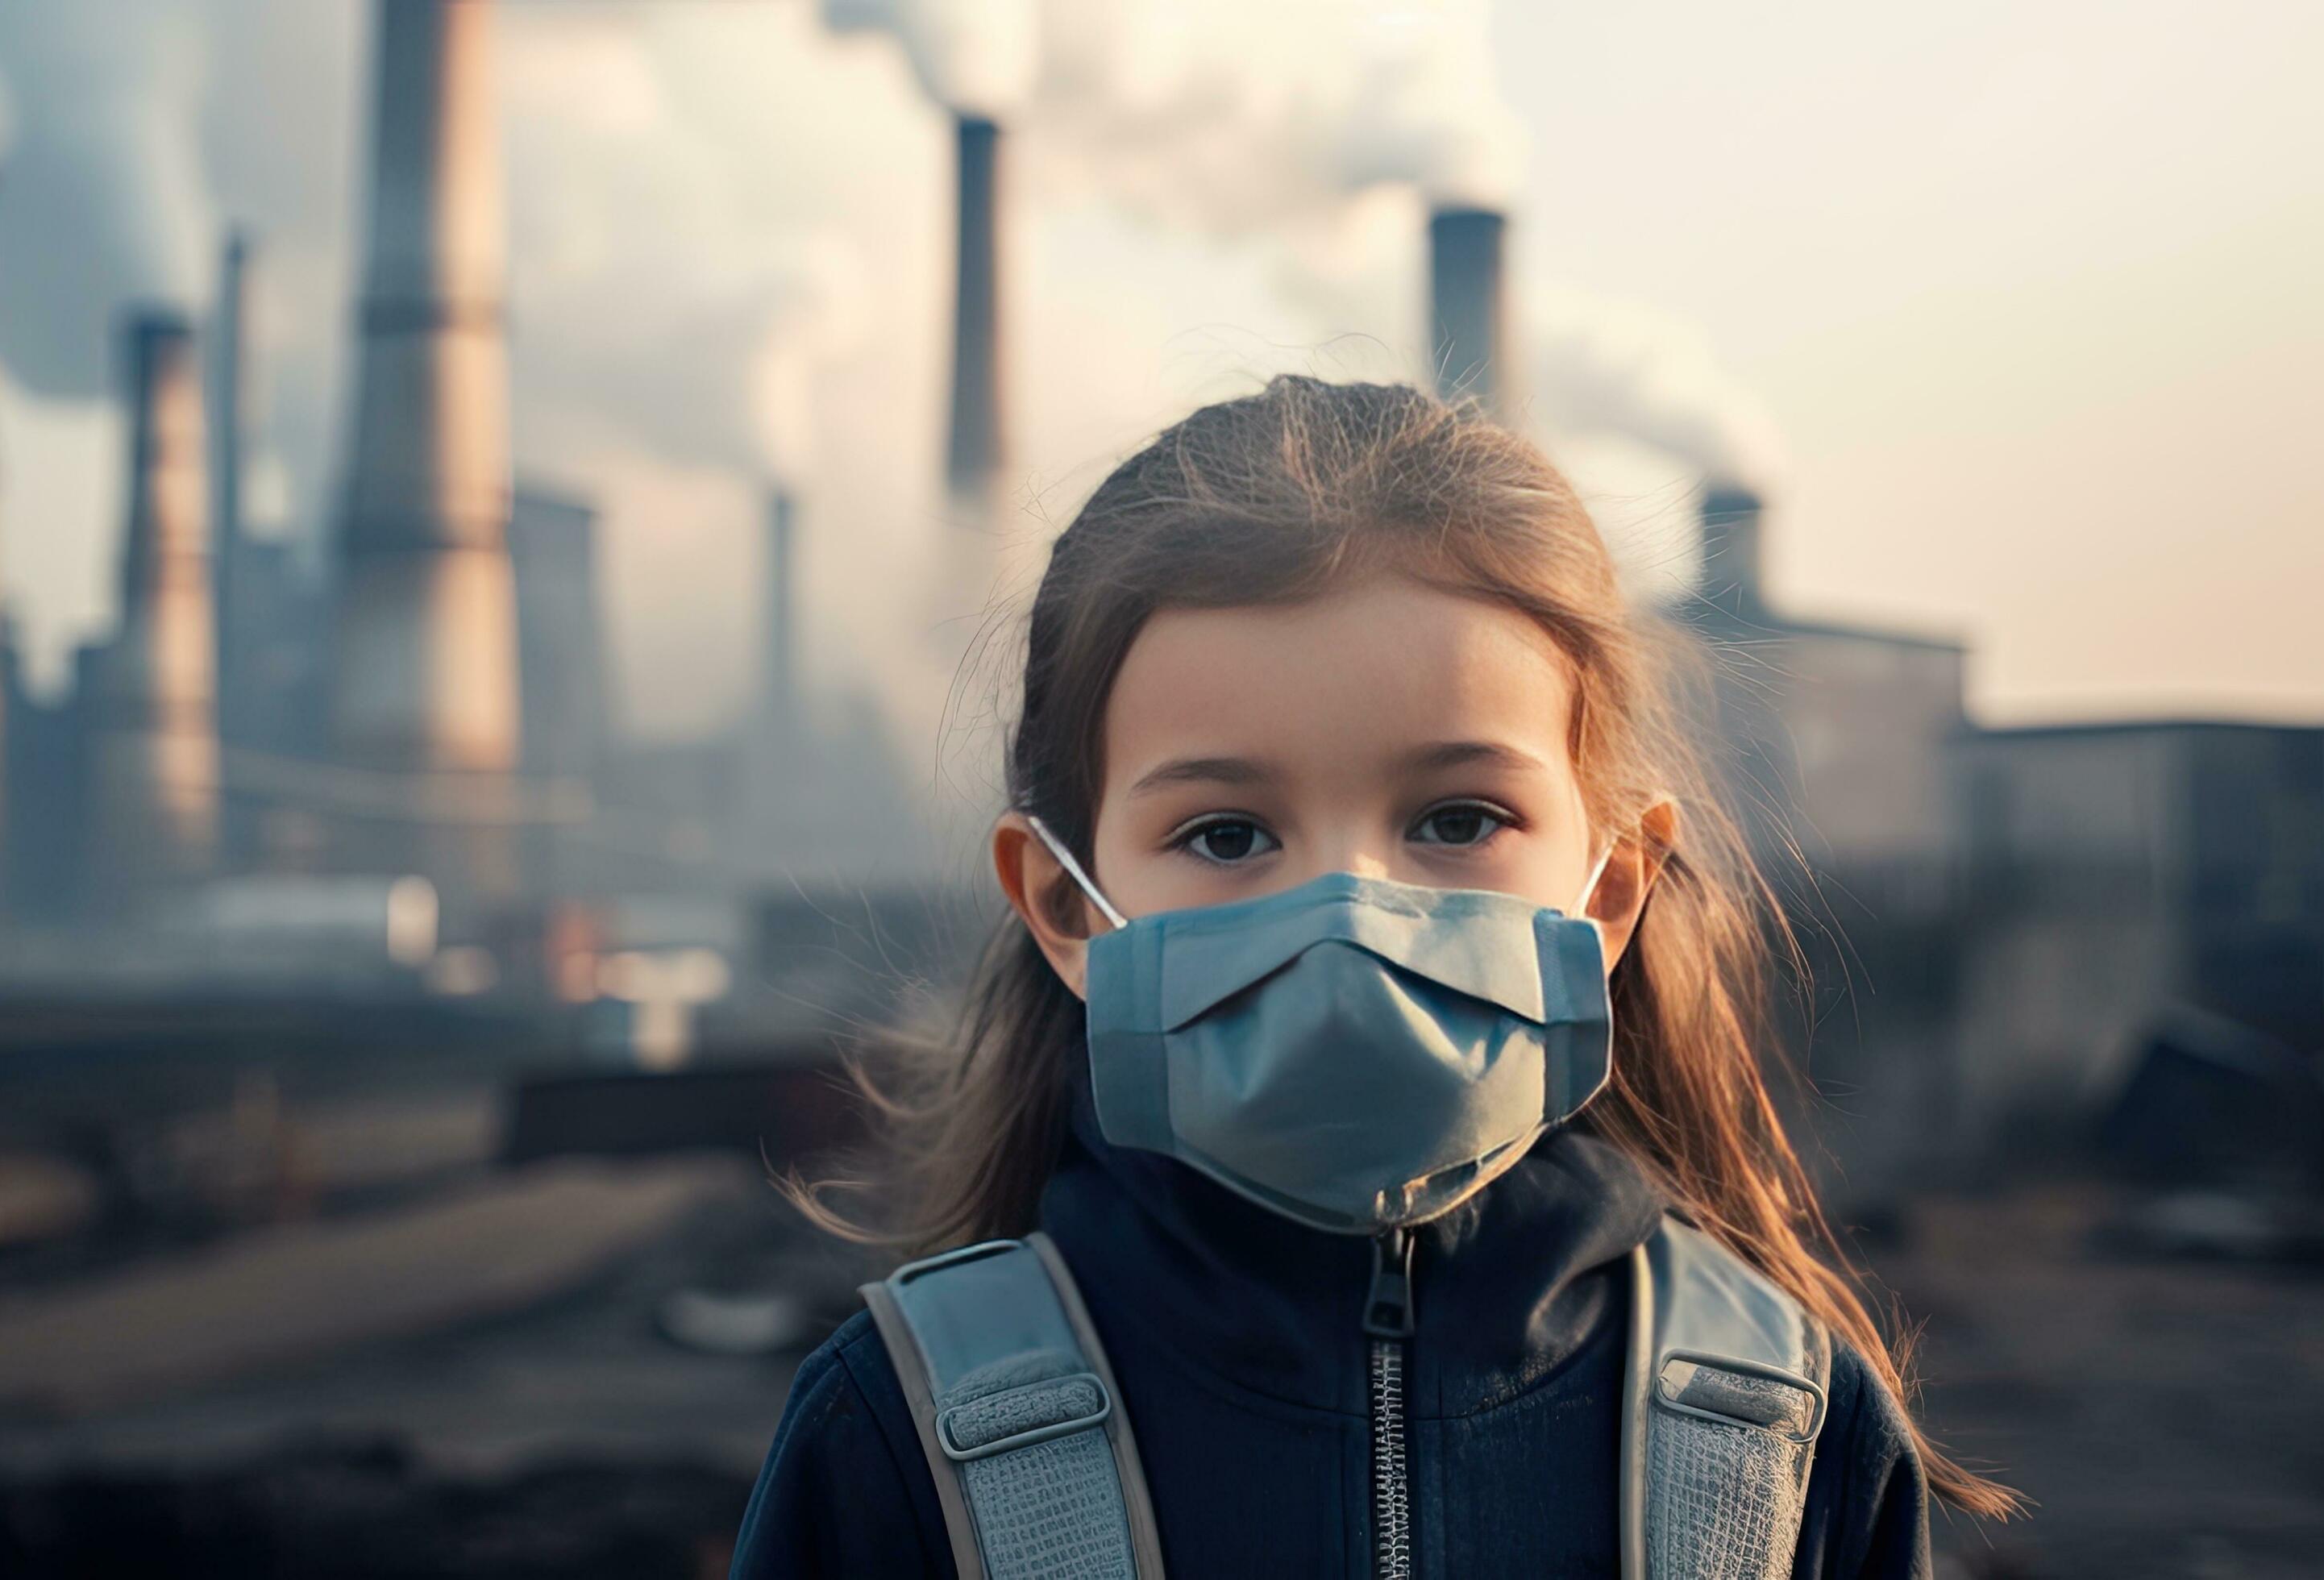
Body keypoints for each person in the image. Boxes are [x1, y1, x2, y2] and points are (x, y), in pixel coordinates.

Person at [728, 378, 2013, 1578]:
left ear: (1610, 890)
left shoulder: (1785, 1432)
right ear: (1068, 908)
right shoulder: (901, 1432)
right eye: (1225, 835)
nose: (1345, 920)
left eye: (1456, 820)